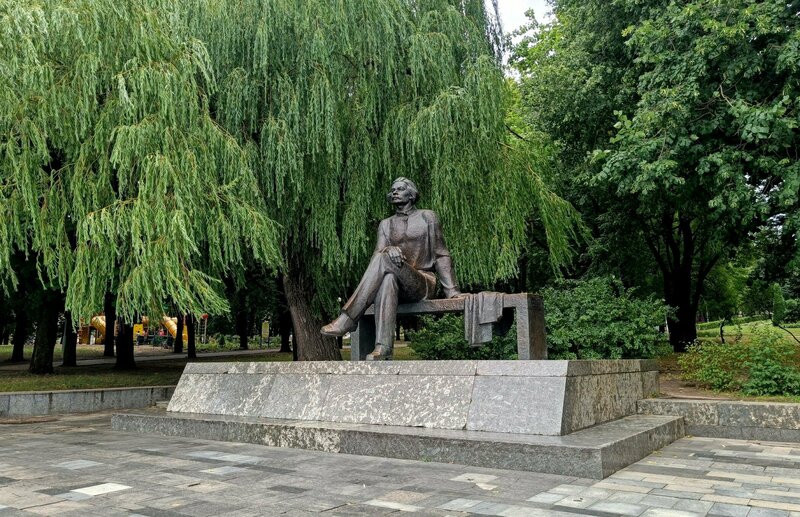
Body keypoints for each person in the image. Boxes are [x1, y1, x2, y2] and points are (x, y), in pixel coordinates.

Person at [321, 177, 462, 359]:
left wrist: (452, 291)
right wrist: (387, 250)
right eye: (393, 189)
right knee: (387, 278)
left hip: (423, 283)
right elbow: (377, 258)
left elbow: (441, 254)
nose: (395, 192)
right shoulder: (385, 224)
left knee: (384, 258)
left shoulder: (427, 217)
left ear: (411, 194)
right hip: (397, 286)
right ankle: (383, 347)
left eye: (400, 189)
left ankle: (348, 318)